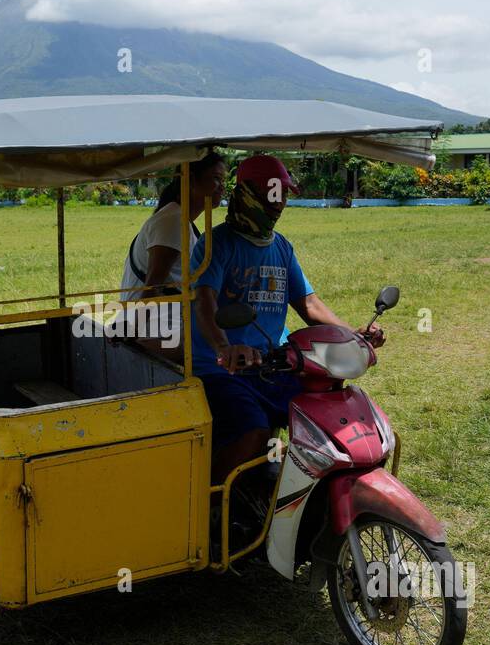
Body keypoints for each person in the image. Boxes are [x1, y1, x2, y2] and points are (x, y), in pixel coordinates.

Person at [190, 155, 384, 485]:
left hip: (273, 364)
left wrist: (351, 334)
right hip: (222, 368)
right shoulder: (217, 244)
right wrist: (224, 346)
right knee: (254, 431)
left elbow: (308, 304)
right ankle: (209, 503)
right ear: (248, 193)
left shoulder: (281, 247)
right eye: (271, 194)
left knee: (325, 418)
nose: (279, 204)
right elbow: (204, 302)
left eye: (282, 195)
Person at [118, 150, 228, 359]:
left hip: (164, 324)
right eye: (215, 179)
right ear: (191, 179)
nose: (221, 187)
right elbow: (153, 286)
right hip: (158, 329)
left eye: (222, 180)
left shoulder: (181, 220)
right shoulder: (173, 221)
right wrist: (132, 333)